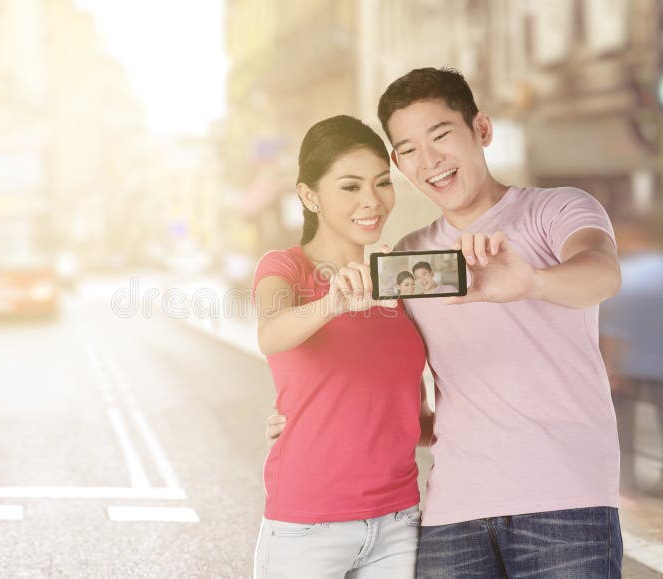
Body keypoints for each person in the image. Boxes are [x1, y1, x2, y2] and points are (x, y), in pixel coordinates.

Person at [267, 68, 623, 577]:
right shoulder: (407, 260)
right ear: (398, 162)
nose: (429, 161)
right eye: (408, 149)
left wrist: (532, 283)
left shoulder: (557, 209)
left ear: (481, 129)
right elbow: (380, 371)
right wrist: (300, 414)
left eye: (441, 135)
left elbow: (603, 272)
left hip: (565, 502)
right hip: (452, 514)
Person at [252, 115, 427, 578]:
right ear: (310, 196)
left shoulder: (402, 281)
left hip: (397, 523)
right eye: (350, 186)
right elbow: (272, 332)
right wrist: (334, 302)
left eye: (382, 183)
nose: (372, 201)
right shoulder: (284, 267)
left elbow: (413, 416)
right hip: (306, 527)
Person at [600, 218, 663, 495]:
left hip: (629, 368)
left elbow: (614, 330)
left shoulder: (622, 275)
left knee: (623, 430)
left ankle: (627, 485)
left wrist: (610, 367)